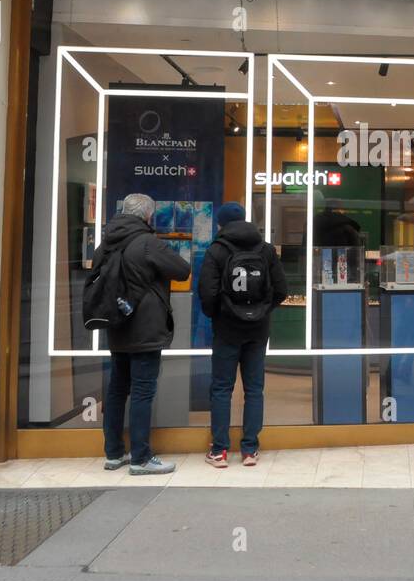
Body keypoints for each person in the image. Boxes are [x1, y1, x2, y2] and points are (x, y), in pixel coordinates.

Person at [95, 193, 191, 476]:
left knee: (117, 389)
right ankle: (140, 457)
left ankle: (114, 453)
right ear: (148, 215)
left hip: (116, 323)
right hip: (145, 326)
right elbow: (182, 270)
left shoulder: (107, 243)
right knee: (142, 392)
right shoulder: (147, 242)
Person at [197, 202, 287, 467]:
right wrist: (261, 311)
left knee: (222, 388)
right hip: (257, 330)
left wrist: (221, 313)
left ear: (221, 224)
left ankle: (220, 451)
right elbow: (281, 289)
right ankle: (249, 449)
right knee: (254, 389)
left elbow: (207, 293)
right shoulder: (265, 249)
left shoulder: (217, 250)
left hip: (226, 329)